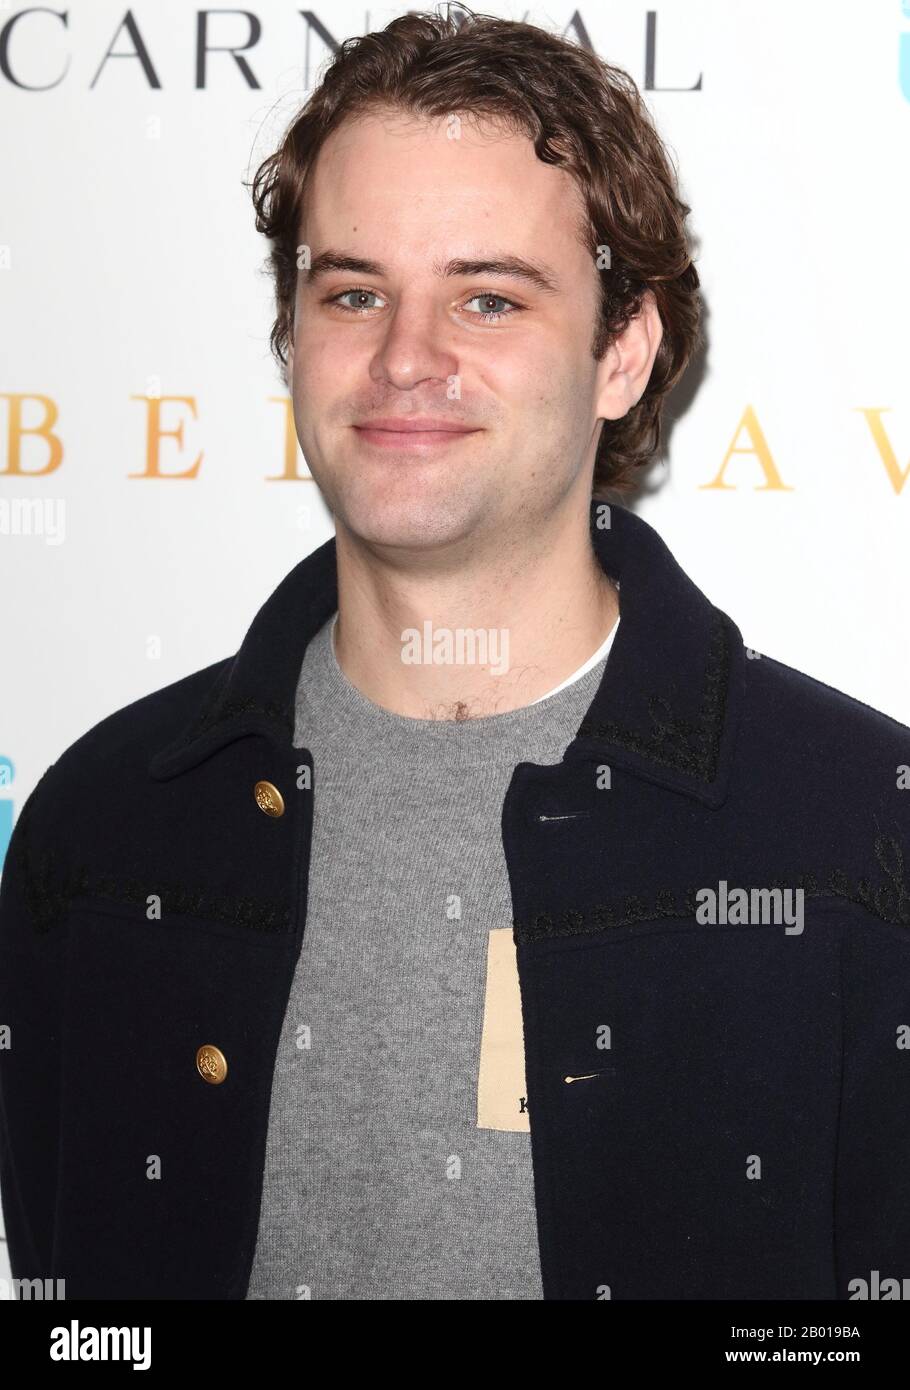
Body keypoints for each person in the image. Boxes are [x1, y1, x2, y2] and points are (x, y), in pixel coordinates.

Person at [1, 9, 908, 1302]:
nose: (403, 359)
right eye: (354, 292)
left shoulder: (857, 835)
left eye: (487, 296)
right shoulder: (107, 829)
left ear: (621, 352)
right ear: (291, 338)